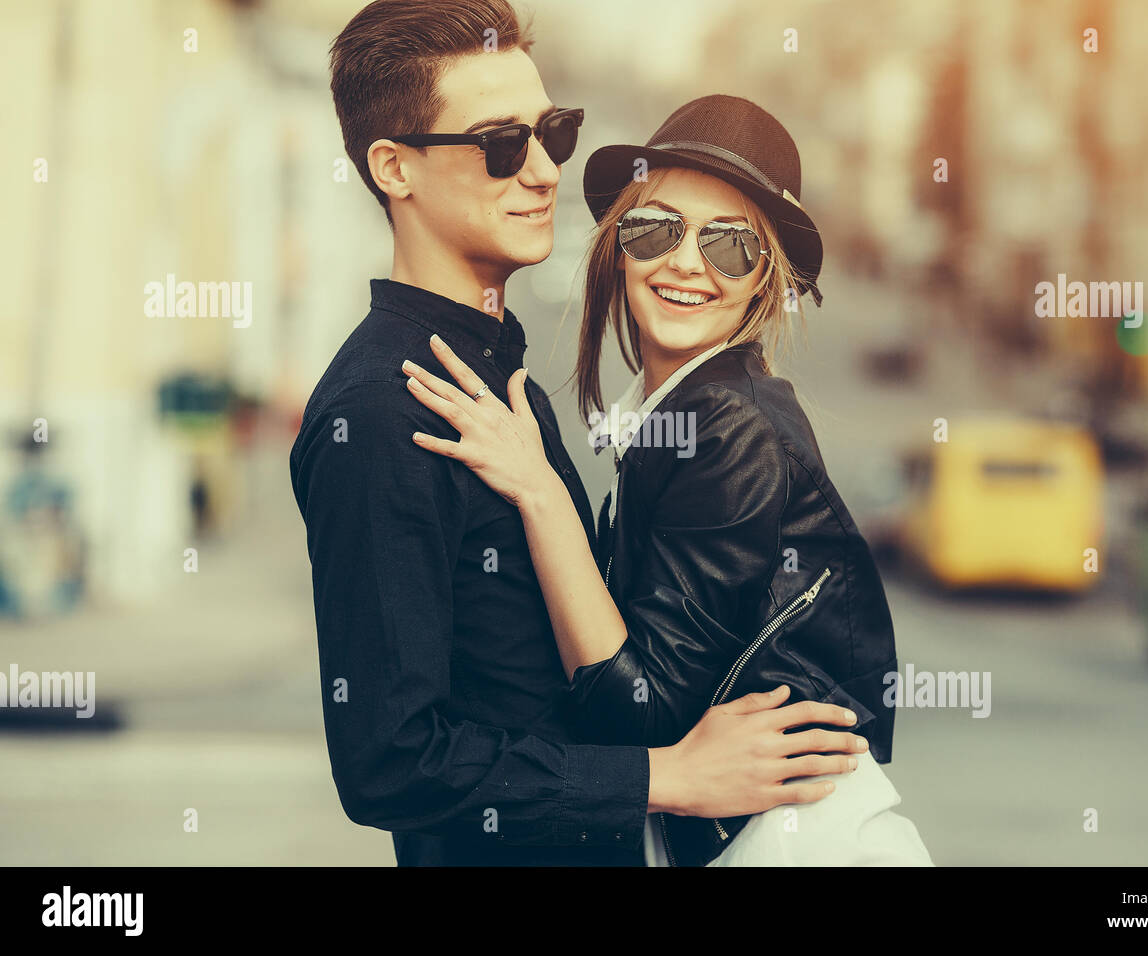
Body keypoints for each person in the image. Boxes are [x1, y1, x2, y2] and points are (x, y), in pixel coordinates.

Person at [290, 0, 864, 867]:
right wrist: (662, 778)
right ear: (394, 167)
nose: (543, 171)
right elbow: (389, 762)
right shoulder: (381, 412)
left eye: (551, 133)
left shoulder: (504, 384)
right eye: (500, 144)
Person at [403, 94, 933, 865]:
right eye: (657, 229)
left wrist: (539, 489)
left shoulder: (728, 427)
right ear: (618, 246)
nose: (688, 263)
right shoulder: (674, 420)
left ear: (763, 281)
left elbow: (641, 713)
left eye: (731, 247)